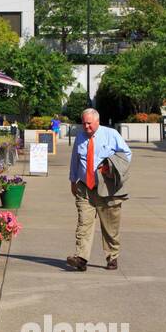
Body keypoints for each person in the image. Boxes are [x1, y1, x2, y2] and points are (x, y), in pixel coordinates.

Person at [66, 109, 132, 272]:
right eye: (83, 123)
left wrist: (110, 167)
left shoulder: (111, 134)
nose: (86, 126)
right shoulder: (80, 137)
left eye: (89, 123)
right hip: (85, 187)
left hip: (107, 188)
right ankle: (81, 258)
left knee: (110, 226)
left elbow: (127, 154)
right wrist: (73, 181)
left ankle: (112, 257)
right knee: (84, 223)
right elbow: (75, 159)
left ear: (97, 121)